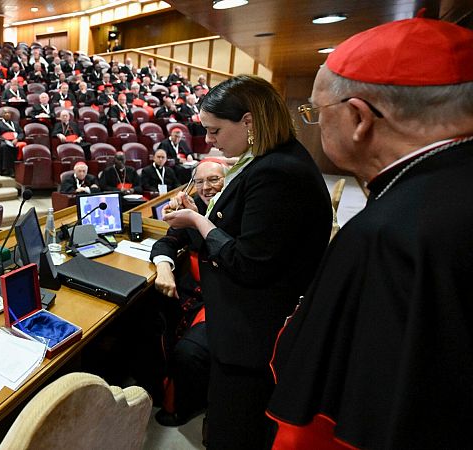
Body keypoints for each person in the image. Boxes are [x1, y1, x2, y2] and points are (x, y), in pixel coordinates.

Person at [267, 18, 473, 449]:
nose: (315, 123)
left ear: (359, 117)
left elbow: (334, 424)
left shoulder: (386, 237)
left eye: (316, 112)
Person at [161, 74, 331, 449]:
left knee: (235, 432)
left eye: (215, 130)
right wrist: (200, 212)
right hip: (242, 323)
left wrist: (197, 220)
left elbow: (249, 260)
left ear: (249, 122)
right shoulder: (267, 159)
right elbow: (243, 227)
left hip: (253, 334)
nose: (209, 141)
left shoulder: (276, 171)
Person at [148, 161, 226, 428]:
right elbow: (167, 241)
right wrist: (163, 267)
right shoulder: (192, 206)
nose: (206, 188)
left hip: (222, 298)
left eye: (214, 180)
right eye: (201, 181)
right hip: (191, 293)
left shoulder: (235, 210)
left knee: (189, 352)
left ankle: (185, 405)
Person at [0, 110, 24, 176]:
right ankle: (7, 169)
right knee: (4, 146)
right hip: (5, 141)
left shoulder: (15, 123)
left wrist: (17, 139)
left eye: (9, 113)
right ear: (3, 115)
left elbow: (21, 133)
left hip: (15, 140)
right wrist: (5, 140)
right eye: (5, 113)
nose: (7, 114)